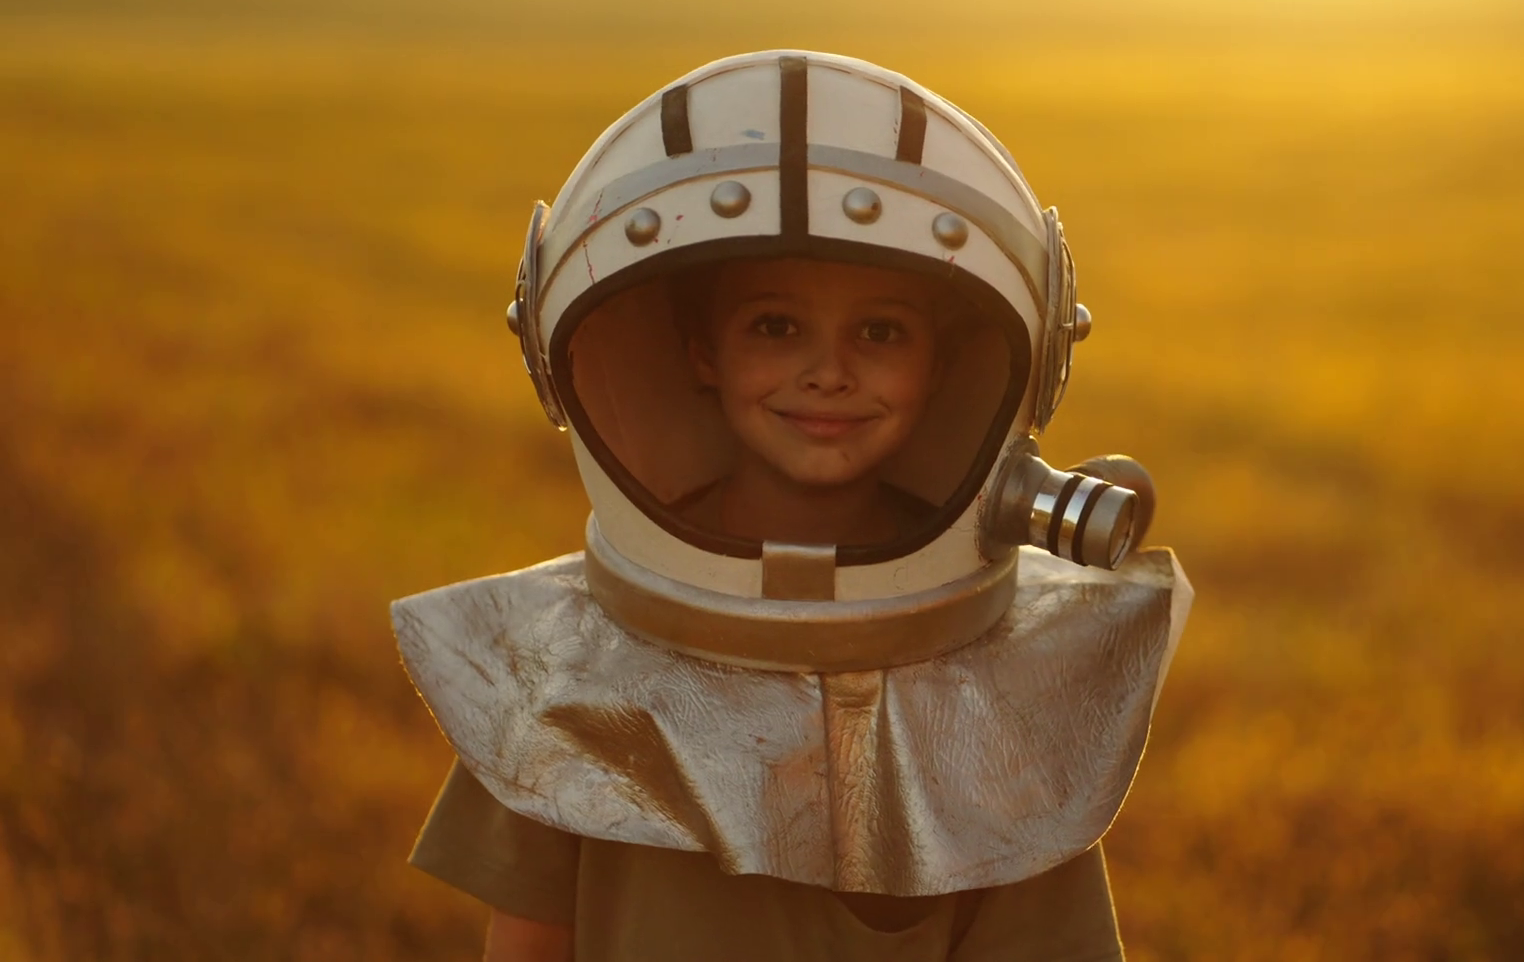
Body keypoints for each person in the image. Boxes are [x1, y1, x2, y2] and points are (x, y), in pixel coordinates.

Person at [392, 50, 1192, 962]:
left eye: (880, 331)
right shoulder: (559, 668)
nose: (829, 370)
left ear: (947, 366)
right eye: (775, 326)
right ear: (701, 353)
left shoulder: (1010, 690)